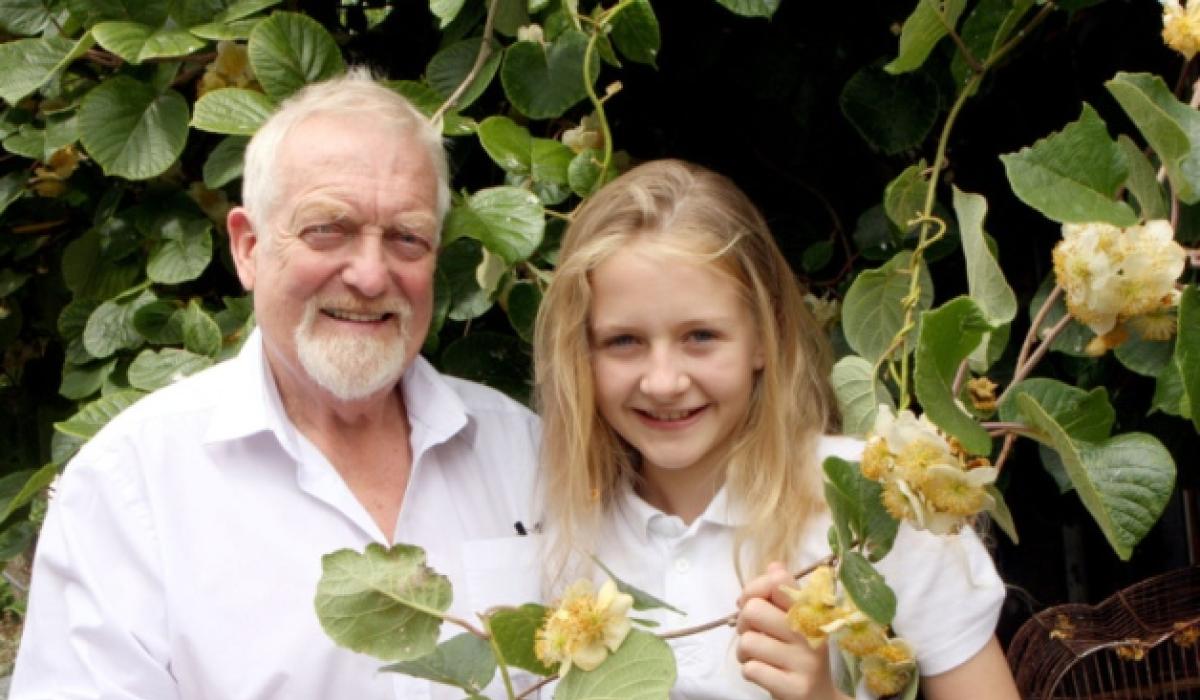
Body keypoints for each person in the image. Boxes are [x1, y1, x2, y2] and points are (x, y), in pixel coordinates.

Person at [11, 69, 542, 699]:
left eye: (407, 237)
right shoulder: (133, 488)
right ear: (249, 248)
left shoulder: (522, 451)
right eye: (327, 229)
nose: (371, 276)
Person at [532, 159, 1020, 699]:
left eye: (701, 336)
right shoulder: (559, 527)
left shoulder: (879, 503)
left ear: (763, 337)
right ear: (580, 354)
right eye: (623, 341)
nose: (664, 382)